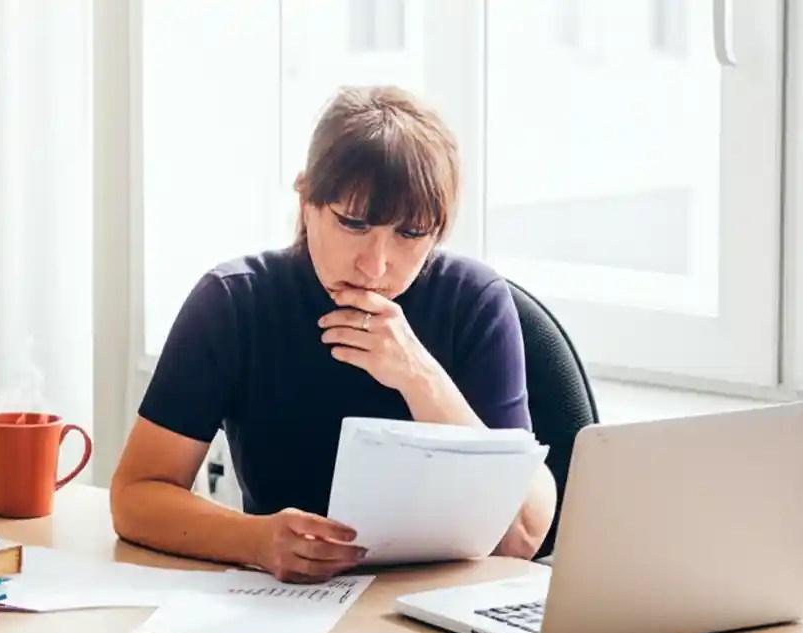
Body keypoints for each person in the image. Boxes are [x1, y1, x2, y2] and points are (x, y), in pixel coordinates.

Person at [110, 85, 556, 583]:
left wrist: (419, 378)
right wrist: (254, 539)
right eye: (353, 223)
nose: (376, 264)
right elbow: (136, 495)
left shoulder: (473, 302)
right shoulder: (236, 302)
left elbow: (523, 534)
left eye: (410, 235)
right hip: (285, 606)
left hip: (441, 610)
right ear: (306, 201)